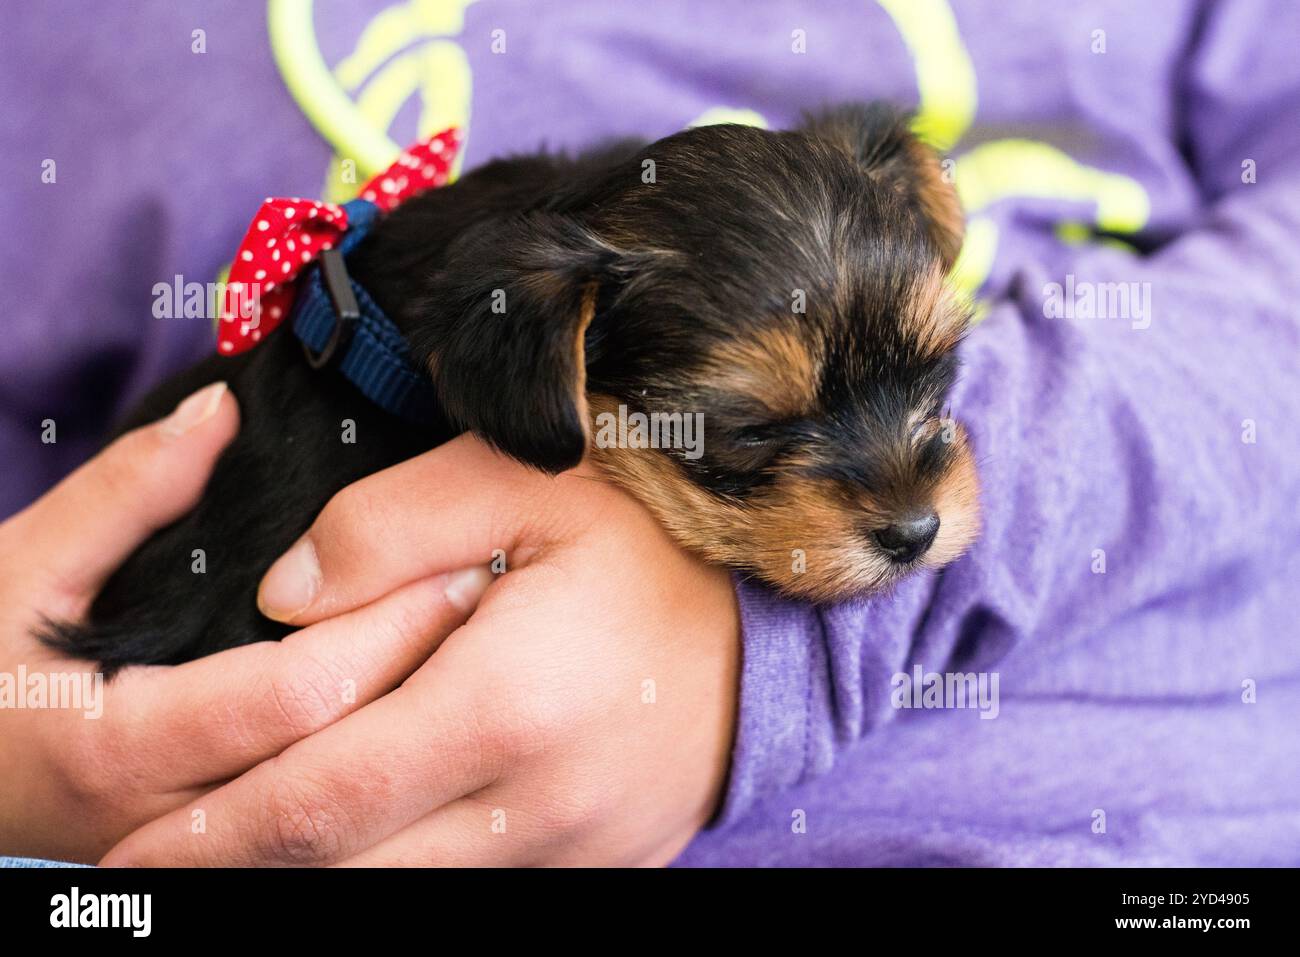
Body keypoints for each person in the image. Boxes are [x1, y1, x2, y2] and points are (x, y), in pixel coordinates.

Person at [1, 0, 1298, 866]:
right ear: (549, 376)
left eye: (932, 367)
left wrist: (752, 663)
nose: (909, 502)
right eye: (743, 429)